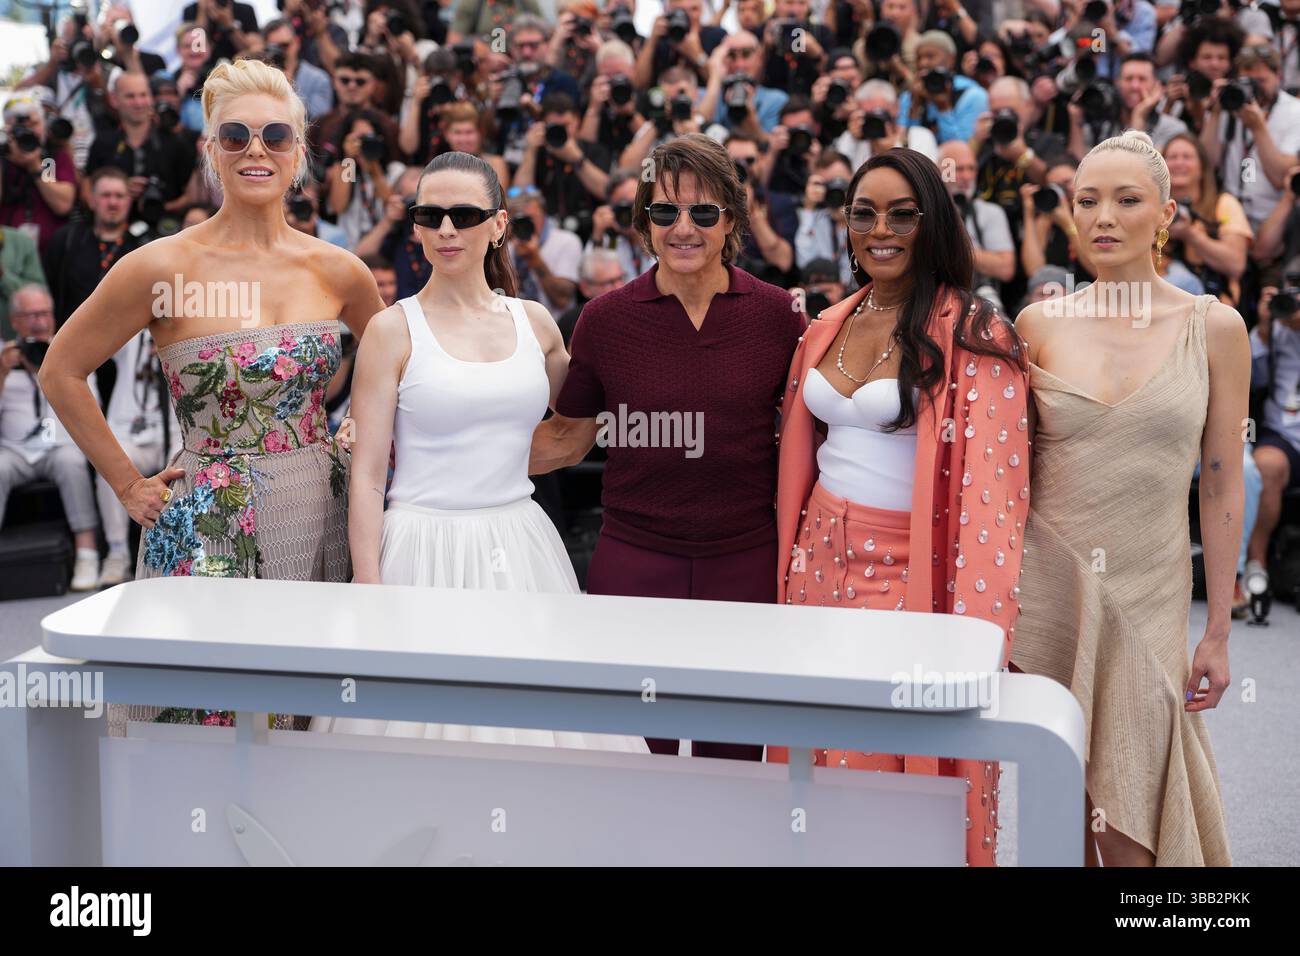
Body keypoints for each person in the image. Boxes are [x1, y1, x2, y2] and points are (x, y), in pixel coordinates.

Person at [39, 58, 382, 731]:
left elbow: (398, 368)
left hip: (320, 511)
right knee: (202, 718)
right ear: (210, 150)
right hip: (207, 520)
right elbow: (60, 370)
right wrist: (128, 485)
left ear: (300, 152)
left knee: (308, 716)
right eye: (235, 136)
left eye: (276, 136)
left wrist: (356, 433)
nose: (256, 150)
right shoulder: (161, 265)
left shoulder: (339, 269)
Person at [314, 150, 645, 754]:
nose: (446, 229)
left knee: (543, 728)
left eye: (464, 214)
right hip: (417, 546)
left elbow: (587, 418)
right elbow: (366, 478)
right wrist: (367, 585)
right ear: (414, 225)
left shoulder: (537, 323)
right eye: (430, 214)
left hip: (520, 545)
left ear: (498, 226)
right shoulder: (392, 329)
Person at [767, 147, 1030, 867]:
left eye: (902, 214)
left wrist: (977, 644)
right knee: (812, 766)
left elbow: (995, 508)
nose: (879, 229)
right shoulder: (825, 324)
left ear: (933, 223)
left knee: (887, 764)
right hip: (814, 564)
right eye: (863, 213)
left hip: (910, 575)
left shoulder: (979, 335)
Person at [529, 134, 805, 761]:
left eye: (703, 212)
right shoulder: (604, 319)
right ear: (643, 224)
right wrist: (425, 455)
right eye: (664, 212)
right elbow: (569, 438)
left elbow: (807, 438)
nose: (684, 228)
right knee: (633, 750)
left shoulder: (776, 316)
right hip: (635, 559)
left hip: (747, 561)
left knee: (732, 754)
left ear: (731, 220)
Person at [1013, 129, 1247, 866]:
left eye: (1126, 199)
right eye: (1087, 201)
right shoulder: (1038, 323)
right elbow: (1003, 476)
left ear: (1167, 214)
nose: (1103, 216)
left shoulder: (1214, 327)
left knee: (1129, 827)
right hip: (1051, 598)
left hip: (1150, 599)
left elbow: (1220, 477)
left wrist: (1219, 629)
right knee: (1069, 817)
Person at [0, 285, 100, 591]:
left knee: (72, 463)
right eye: (31, 315)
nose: (39, 322)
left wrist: (49, 367)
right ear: (14, 320)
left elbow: (90, 405)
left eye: (44, 313)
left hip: (59, 445)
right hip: (15, 451)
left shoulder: (71, 351)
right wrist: (2, 373)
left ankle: (87, 551)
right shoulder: (4, 355)